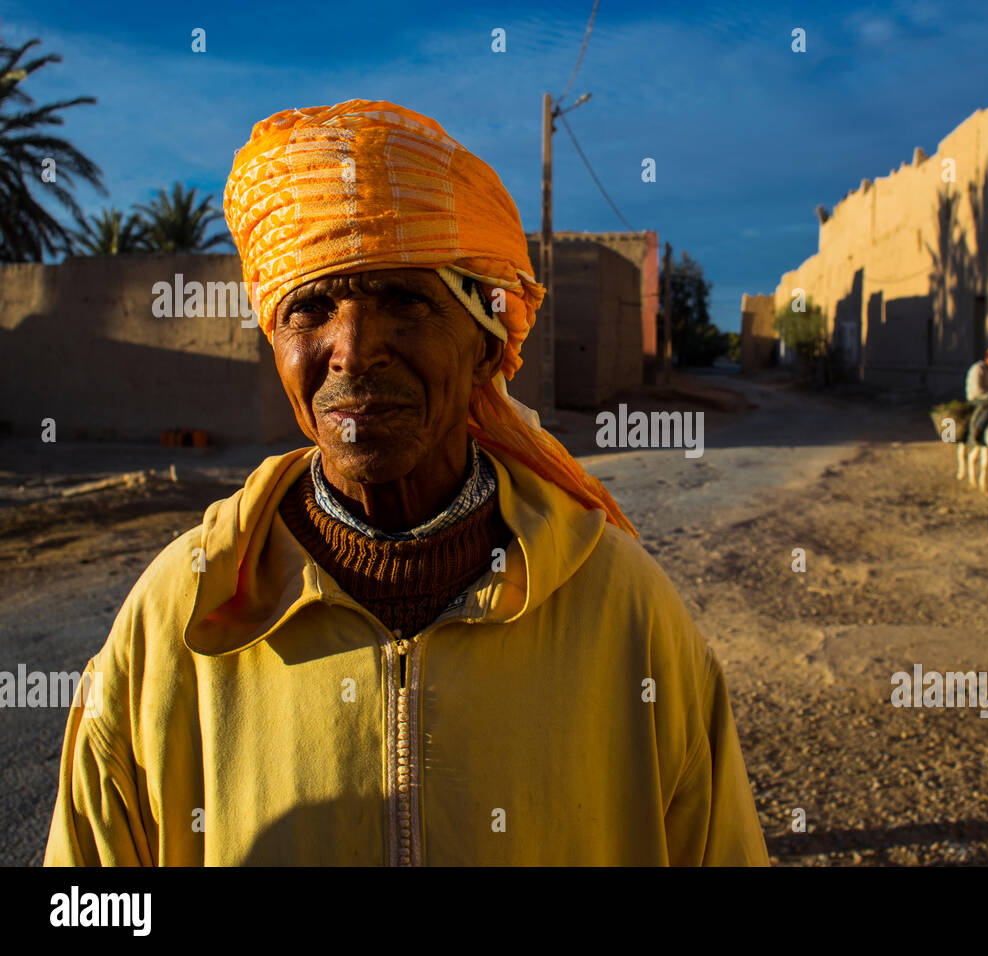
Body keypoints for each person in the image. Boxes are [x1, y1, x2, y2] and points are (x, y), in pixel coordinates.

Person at [44, 100, 768, 867]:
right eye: (311, 306)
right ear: (276, 342)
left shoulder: (626, 614)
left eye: (406, 302)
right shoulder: (175, 619)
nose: (353, 351)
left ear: (488, 347)